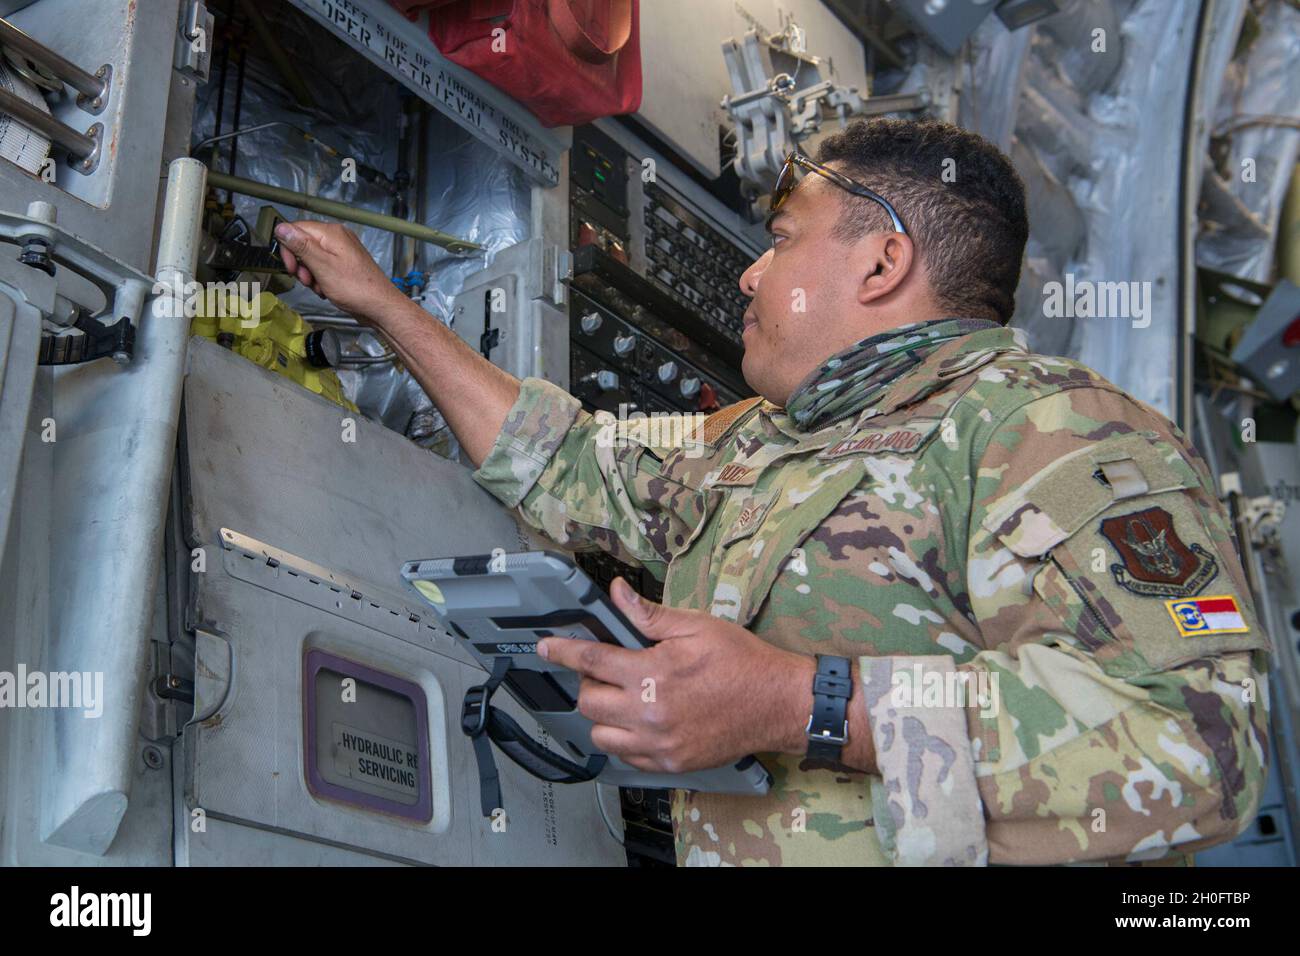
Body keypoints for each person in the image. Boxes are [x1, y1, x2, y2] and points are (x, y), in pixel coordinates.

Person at [274, 118, 1270, 866]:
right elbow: (562, 464)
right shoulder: (759, 442)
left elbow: (1200, 745)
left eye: (783, 238)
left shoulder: (1047, 428)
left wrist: (798, 701)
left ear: (881, 260)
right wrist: (383, 305)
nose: (749, 275)